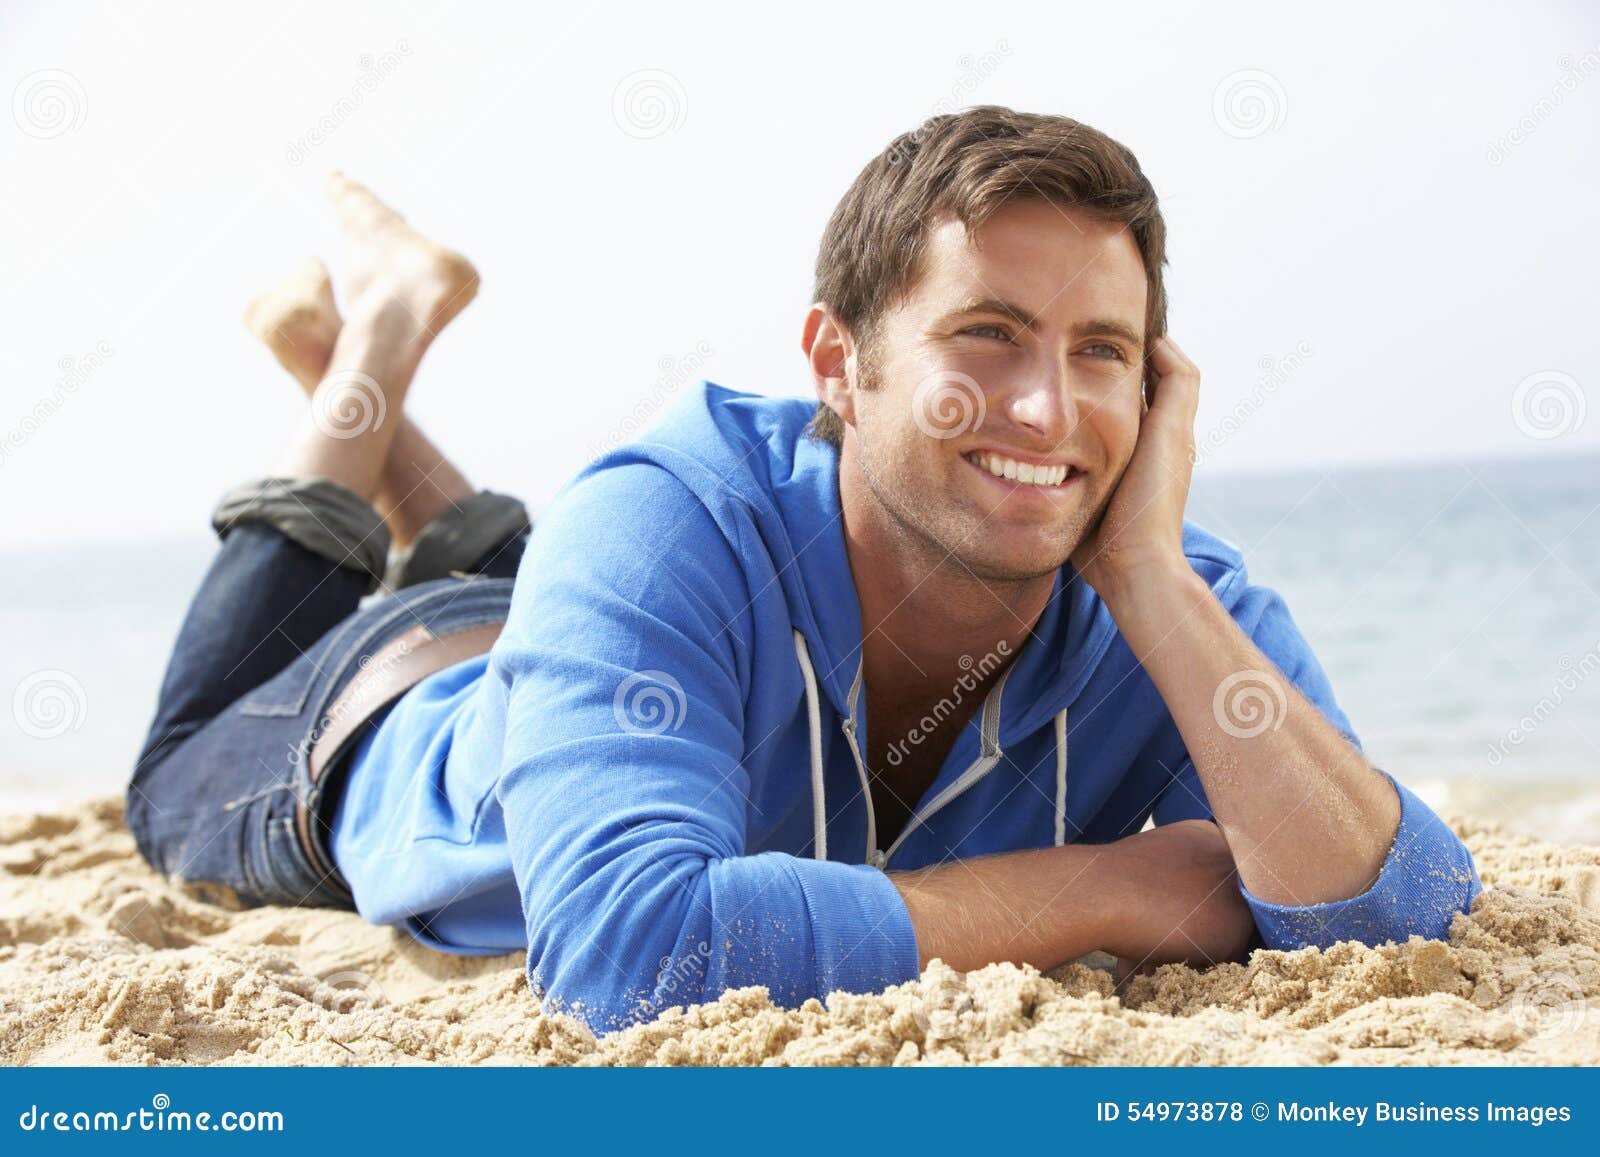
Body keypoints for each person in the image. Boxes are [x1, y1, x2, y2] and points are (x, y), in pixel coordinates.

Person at [128, 106, 1481, 1033]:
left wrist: (1152, 588)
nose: (1047, 411)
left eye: (1102, 353)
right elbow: (640, 957)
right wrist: (1117, 885)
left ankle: (351, 355)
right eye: (989, 335)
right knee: (177, 764)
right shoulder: (663, 512)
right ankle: (371, 335)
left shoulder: (1175, 593)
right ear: (837, 360)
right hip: (383, 705)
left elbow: (1403, 909)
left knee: (568, 580)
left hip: (616, 649)